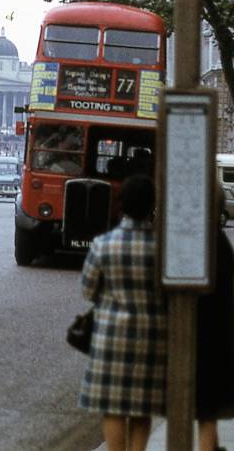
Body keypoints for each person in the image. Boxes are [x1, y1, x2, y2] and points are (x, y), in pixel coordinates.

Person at [79, 174, 166, 451]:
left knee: (114, 409)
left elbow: (87, 290)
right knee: (141, 410)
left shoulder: (103, 244)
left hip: (110, 337)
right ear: (151, 205)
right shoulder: (162, 248)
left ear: (122, 205)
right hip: (151, 338)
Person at [196, 187, 234, 451]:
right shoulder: (219, 240)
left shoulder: (203, 240)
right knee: (208, 408)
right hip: (219, 332)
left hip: (203, 332)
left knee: (206, 410)